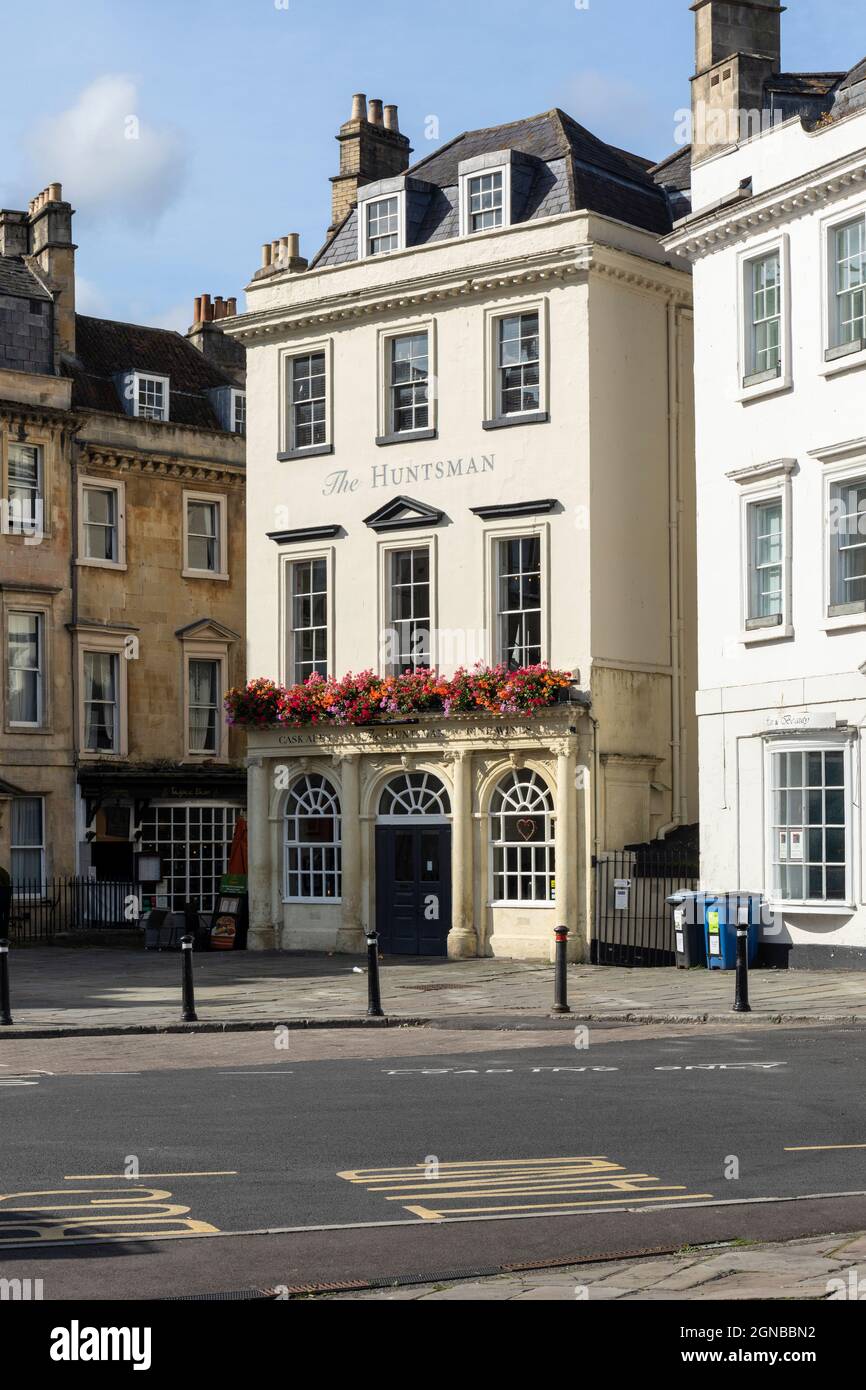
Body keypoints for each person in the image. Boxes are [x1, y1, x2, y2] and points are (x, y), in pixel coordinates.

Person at [0, 865, 11, 936]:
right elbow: (7, 880)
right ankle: (4, 937)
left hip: (2, 893)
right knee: (4, 918)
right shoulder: (3, 871)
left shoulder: (2, 871)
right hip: (6, 893)